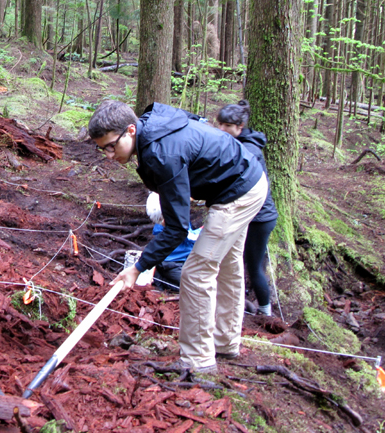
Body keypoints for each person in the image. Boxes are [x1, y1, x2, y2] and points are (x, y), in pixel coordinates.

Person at [89, 100, 268, 373]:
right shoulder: (154, 127)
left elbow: (176, 229)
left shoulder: (162, 154)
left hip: (239, 191)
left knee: (196, 272)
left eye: (112, 146)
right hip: (242, 180)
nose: (110, 156)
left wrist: (137, 268)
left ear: (131, 130)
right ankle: (226, 343)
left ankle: (198, 362)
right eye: (103, 150)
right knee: (228, 263)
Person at [216, 100, 279, 317]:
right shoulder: (236, 144)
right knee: (237, 261)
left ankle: (265, 312)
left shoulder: (248, 149)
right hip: (246, 214)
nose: (222, 130)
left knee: (253, 265)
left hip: (259, 218)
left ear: (240, 127)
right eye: (220, 125)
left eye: (227, 126)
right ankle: (239, 304)